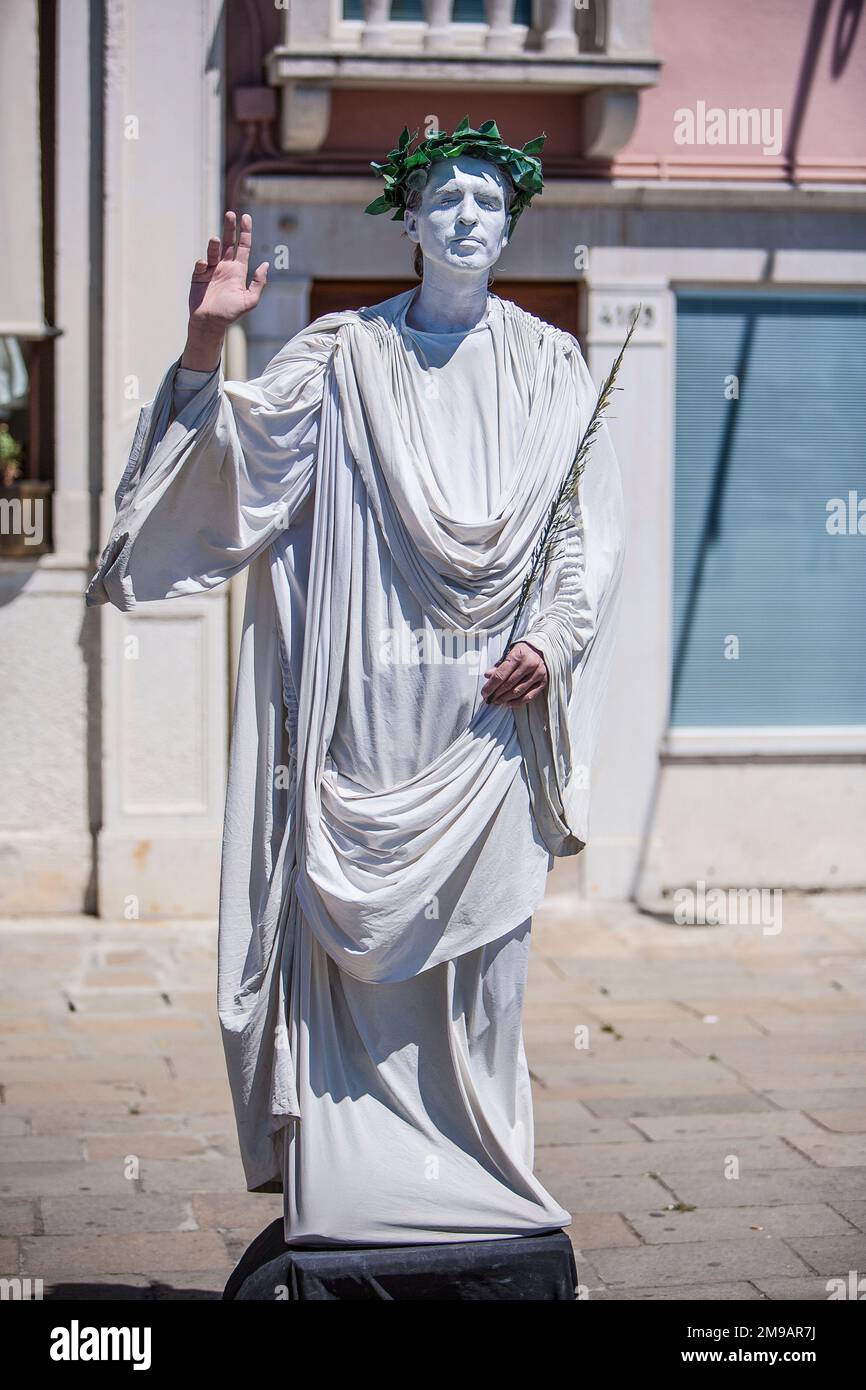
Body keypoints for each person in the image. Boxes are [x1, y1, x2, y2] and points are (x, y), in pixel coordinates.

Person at [86, 119, 626, 1247]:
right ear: (410, 222)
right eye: (445, 200)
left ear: (510, 220)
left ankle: (482, 1174)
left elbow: (584, 534)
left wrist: (558, 637)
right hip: (365, 718)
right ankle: (359, 1179)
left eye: (486, 199)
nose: (467, 218)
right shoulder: (341, 356)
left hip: (489, 722)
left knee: (484, 972)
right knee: (353, 967)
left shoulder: (551, 365)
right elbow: (231, 473)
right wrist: (202, 342)